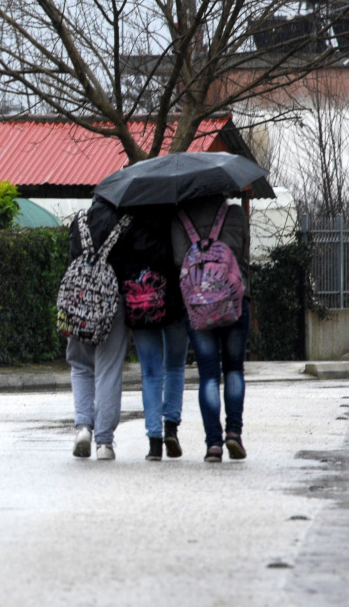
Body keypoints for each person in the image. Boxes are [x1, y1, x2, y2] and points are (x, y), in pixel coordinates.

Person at [171, 195, 252, 463]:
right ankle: (233, 433)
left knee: (208, 375)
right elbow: (241, 256)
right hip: (234, 305)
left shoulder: (180, 219)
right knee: (233, 369)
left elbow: (178, 261)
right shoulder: (237, 214)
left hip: (198, 308)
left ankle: (213, 444)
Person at [116, 206, 189, 461]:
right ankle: (171, 428)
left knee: (150, 372)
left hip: (140, 305)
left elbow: (118, 266)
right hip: (174, 302)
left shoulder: (128, 226)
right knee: (175, 367)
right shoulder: (177, 221)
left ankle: (154, 442)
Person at [67, 198, 133, 461]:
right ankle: (104, 443)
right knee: (108, 369)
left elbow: (71, 258)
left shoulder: (80, 220)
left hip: (78, 300)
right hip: (111, 303)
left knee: (81, 365)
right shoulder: (126, 224)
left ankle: (83, 427)